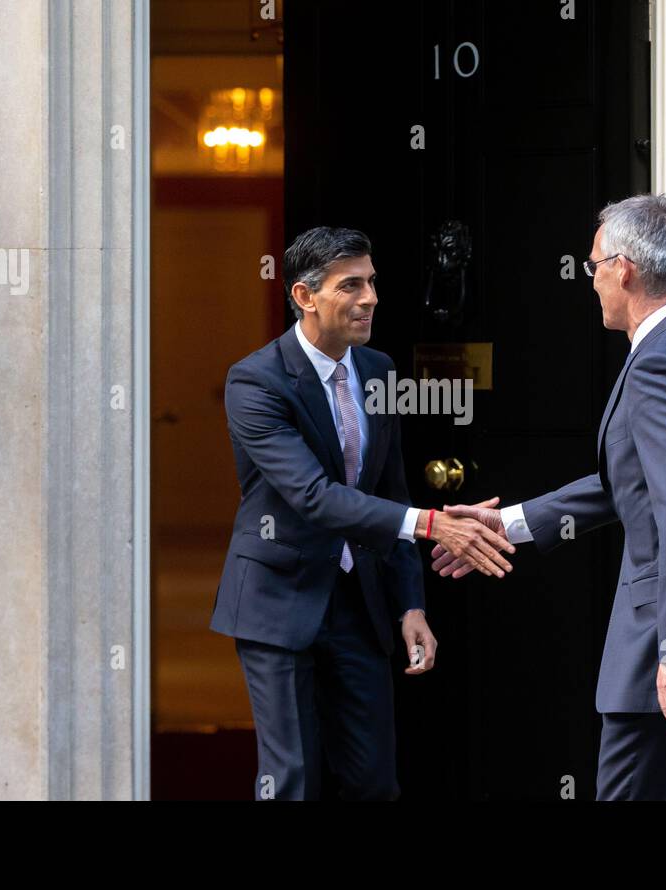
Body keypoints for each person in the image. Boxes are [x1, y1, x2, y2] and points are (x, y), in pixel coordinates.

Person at [432, 195, 666, 800]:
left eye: (594, 264)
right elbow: (639, 486)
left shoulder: (659, 365)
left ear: (624, 269)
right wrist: (511, 524)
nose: (593, 279)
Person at [213, 226, 514, 800]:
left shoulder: (378, 370)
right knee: (293, 779)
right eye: (350, 285)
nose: (370, 297)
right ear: (305, 297)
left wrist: (410, 604)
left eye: (372, 282)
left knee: (374, 780)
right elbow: (313, 495)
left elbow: (391, 490)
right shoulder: (255, 381)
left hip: (360, 603)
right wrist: (431, 524)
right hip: (279, 600)